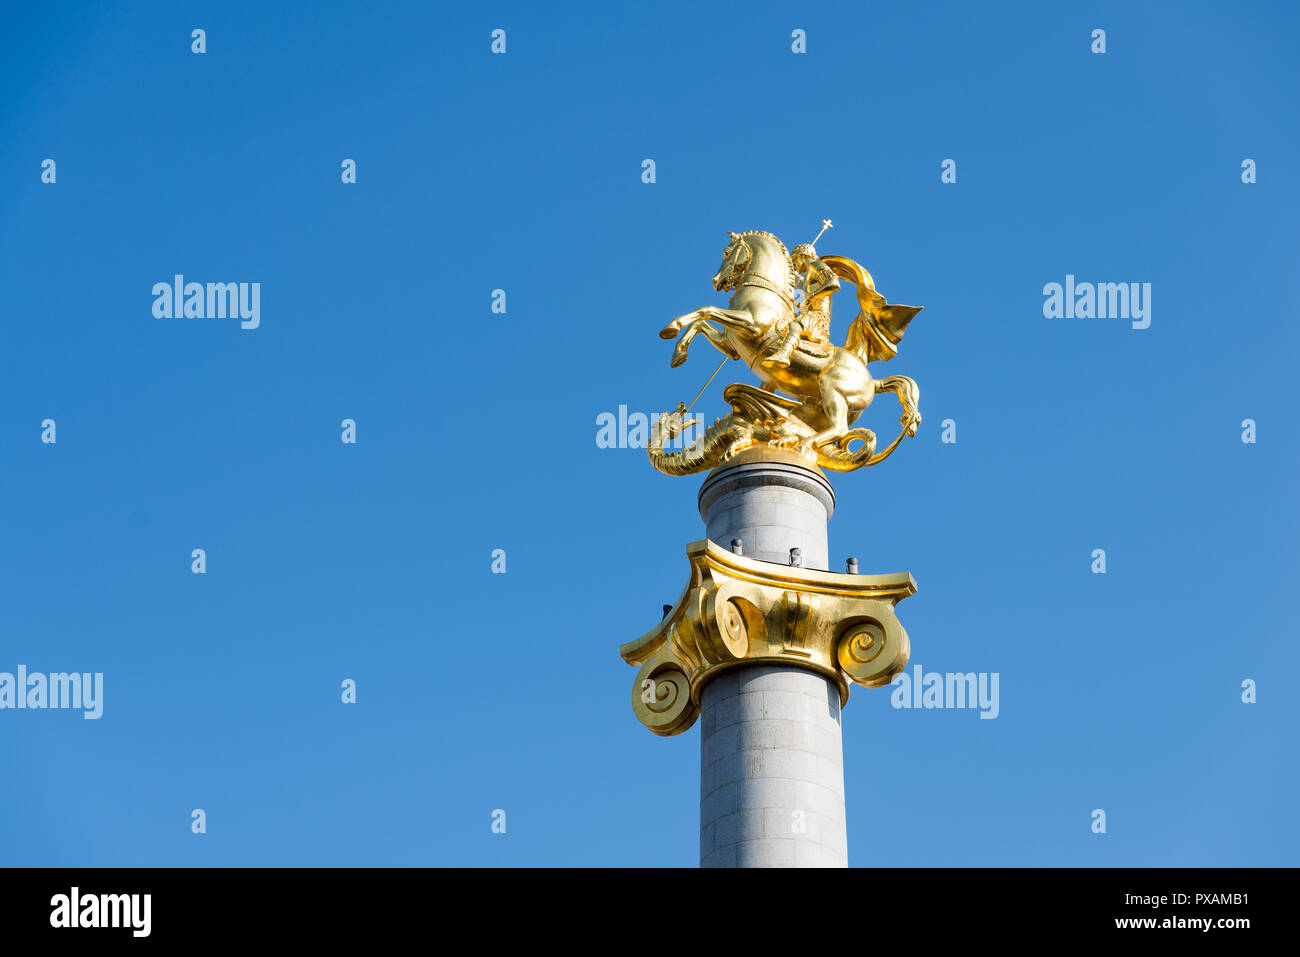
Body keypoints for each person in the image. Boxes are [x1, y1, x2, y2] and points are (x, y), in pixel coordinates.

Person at [760, 244, 839, 368]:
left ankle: (784, 355)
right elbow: (803, 304)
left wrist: (810, 296)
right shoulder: (808, 274)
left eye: (795, 261)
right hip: (809, 314)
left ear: (802, 256)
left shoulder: (816, 265)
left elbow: (834, 283)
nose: (796, 266)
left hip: (817, 318)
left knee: (795, 325)